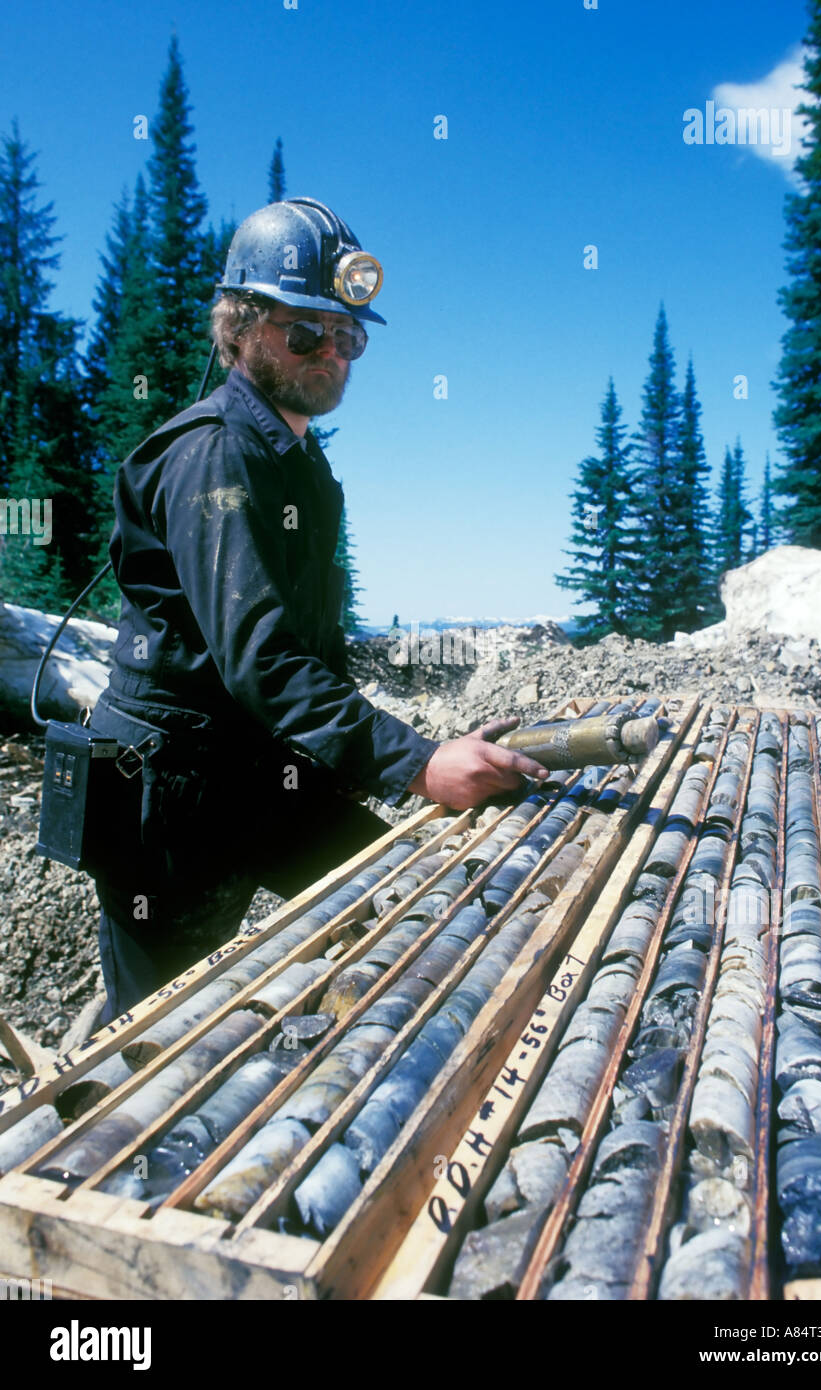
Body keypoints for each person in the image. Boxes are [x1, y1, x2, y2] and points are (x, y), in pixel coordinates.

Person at [85, 197, 548, 1020]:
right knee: (150, 1047)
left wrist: (413, 753)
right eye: (306, 333)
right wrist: (417, 765)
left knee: (403, 903)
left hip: (253, 768)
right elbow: (260, 656)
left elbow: (310, 650)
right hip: (165, 792)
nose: (331, 353)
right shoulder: (216, 453)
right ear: (240, 326)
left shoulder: (296, 463)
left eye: (350, 336)